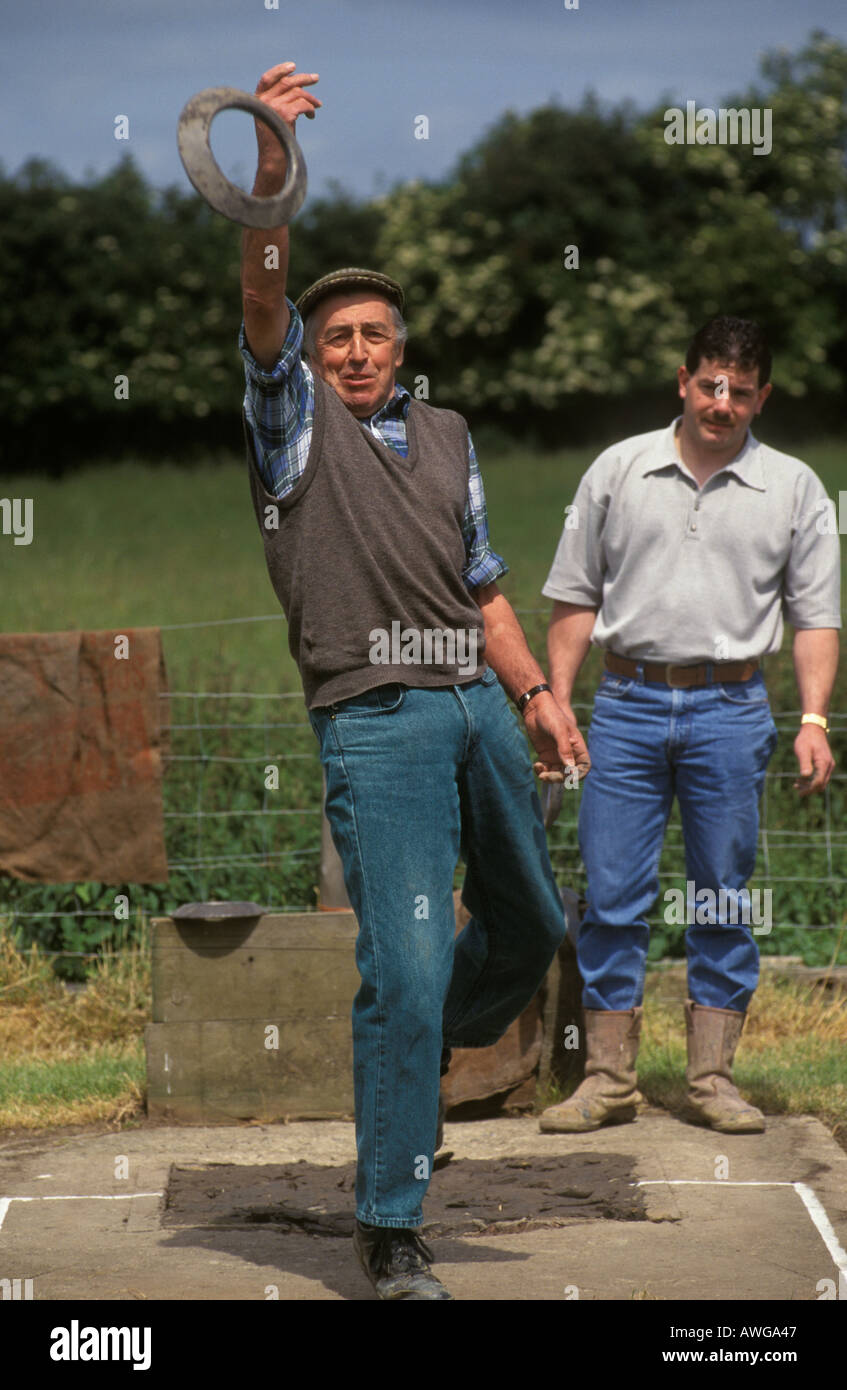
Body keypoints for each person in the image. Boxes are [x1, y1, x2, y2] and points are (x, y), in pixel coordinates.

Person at [238, 61, 590, 1300]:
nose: (350, 349)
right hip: (374, 720)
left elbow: (487, 587)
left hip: (475, 707)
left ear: (402, 346)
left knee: (534, 925)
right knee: (405, 958)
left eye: (372, 331)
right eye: (333, 335)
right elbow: (265, 313)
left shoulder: (446, 436)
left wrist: (540, 698)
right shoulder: (294, 426)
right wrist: (274, 167)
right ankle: (390, 1224)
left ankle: (404, 1067)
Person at [539, 316, 841, 1137]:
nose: (721, 402)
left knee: (721, 894)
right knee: (610, 892)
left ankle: (710, 1079)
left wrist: (812, 717)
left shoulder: (795, 489)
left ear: (761, 397)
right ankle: (606, 1080)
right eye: (709, 384)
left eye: (740, 391)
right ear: (682, 380)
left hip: (731, 709)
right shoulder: (618, 469)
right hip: (626, 704)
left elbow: (815, 618)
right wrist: (555, 702)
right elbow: (574, 595)